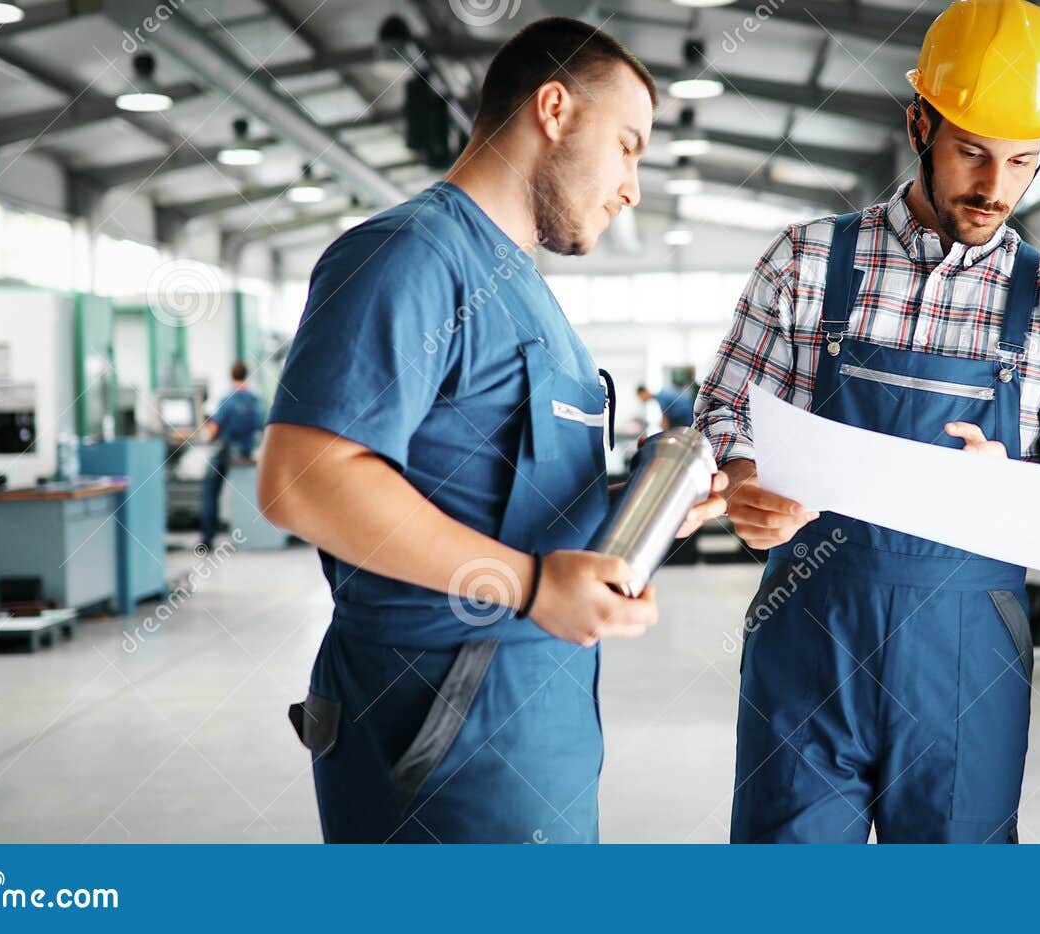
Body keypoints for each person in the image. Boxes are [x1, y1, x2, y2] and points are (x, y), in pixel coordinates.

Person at [257, 17, 725, 844]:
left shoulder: (526, 293)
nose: (632, 187)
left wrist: (648, 509)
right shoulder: (409, 257)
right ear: (554, 108)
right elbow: (305, 478)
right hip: (437, 732)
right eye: (628, 145)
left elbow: (494, 494)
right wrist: (535, 588)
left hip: (532, 725)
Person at [696, 0, 1040, 844]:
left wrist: (1020, 493)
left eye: (1021, 161)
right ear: (919, 120)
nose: (994, 188)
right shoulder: (806, 258)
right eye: (971, 152)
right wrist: (741, 483)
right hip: (809, 636)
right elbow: (724, 414)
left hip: (967, 658)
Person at [199, 361, 263, 548]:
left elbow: (213, 430)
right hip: (246, 455)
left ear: (231, 376)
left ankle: (208, 538)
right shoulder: (255, 401)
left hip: (225, 454)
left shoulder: (228, 400)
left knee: (210, 491)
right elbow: (260, 427)